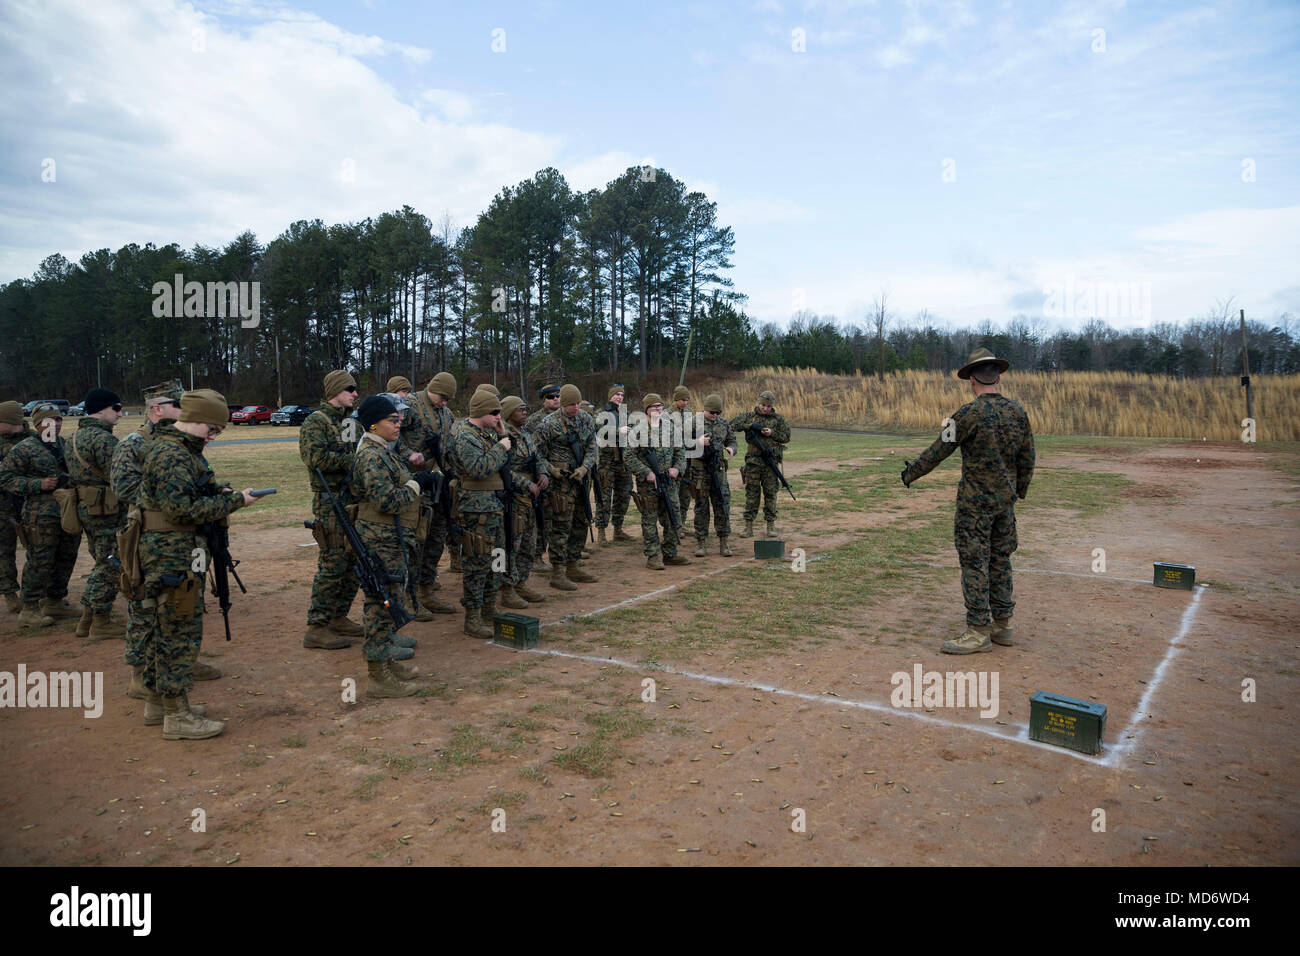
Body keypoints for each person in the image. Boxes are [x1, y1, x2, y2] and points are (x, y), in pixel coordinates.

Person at [135, 389, 262, 738]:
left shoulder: (178, 451)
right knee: (178, 631)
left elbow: (183, 498)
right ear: (198, 421)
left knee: (167, 626)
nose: (214, 436)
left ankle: (159, 704)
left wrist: (216, 493)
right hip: (171, 552)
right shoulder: (171, 454)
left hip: (177, 550)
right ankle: (177, 716)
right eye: (214, 429)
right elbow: (182, 510)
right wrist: (236, 501)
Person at [901, 348, 1036, 654]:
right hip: (1005, 503)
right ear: (997, 378)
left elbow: (938, 451)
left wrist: (911, 474)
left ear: (972, 380)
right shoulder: (1018, 412)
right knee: (1000, 559)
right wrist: (1019, 490)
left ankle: (978, 630)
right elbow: (1028, 457)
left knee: (975, 562)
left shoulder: (967, 415)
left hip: (974, 506)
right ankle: (1003, 626)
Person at [111, 380, 200, 697]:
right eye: (177, 404)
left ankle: (182, 658)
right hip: (148, 534)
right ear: (157, 409)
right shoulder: (134, 444)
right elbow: (124, 488)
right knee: (146, 602)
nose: (183, 410)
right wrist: (169, 501)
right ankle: (139, 674)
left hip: (179, 535)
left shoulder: (180, 441)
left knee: (183, 596)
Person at [350, 395, 432, 696]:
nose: (398, 426)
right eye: (392, 421)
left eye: (399, 421)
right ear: (373, 424)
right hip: (379, 538)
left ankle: (385, 663)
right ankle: (378, 675)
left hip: (390, 537)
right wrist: (414, 485)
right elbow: (386, 500)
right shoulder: (371, 456)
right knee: (379, 605)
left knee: (388, 601)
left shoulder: (383, 451)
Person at [0, 405, 82, 627]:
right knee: (40, 561)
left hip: (67, 513)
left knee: (66, 556)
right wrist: (38, 484)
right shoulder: (24, 448)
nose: (54, 424)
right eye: (48, 420)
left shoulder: (65, 444)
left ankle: (54, 600)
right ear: (37, 425)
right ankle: (29, 608)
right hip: (40, 514)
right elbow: (6, 479)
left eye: (57, 419)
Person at [299, 370, 363, 650]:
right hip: (330, 503)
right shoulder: (317, 422)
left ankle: (338, 616)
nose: (355, 393)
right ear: (335, 391)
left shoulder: (351, 422)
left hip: (354, 501)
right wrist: (353, 460)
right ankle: (317, 626)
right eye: (350, 389)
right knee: (333, 564)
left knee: (353, 562)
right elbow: (315, 458)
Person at [66, 388, 127, 640]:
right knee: (112, 562)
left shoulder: (73, 437)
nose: (121, 414)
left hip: (88, 509)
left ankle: (87, 620)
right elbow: (123, 478)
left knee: (104, 560)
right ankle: (99, 620)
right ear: (101, 409)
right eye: (116, 408)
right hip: (107, 510)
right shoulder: (103, 440)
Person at [449, 389, 511, 637]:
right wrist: (500, 447)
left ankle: (489, 607)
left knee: (497, 558)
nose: (499, 417)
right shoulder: (466, 436)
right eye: (495, 413)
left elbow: (506, 463)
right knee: (477, 562)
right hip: (476, 509)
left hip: (493, 506)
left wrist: (502, 437)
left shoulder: (487, 434)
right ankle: (472, 617)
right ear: (481, 412)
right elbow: (477, 468)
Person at [398, 372, 458, 615]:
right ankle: (409, 597)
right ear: (432, 388)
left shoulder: (447, 414)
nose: (444, 402)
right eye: (442, 397)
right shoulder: (409, 406)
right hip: (413, 482)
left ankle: (426, 591)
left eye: (448, 399)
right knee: (416, 542)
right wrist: (408, 454)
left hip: (438, 483)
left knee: (436, 538)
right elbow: (388, 434)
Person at [532, 384, 599, 591]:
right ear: (563, 403)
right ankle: (558, 571)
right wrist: (550, 470)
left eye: (578, 403)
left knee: (581, 522)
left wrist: (585, 467)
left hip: (580, 480)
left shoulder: (586, 419)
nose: (576, 407)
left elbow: (592, 447)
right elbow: (536, 454)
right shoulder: (547, 424)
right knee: (561, 526)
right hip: (559, 484)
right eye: (572, 404)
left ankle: (573, 564)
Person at [625, 393, 691, 570]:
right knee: (650, 519)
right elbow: (629, 457)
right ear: (646, 409)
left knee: (673, 514)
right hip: (649, 484)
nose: (658, 409)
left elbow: (680, 452)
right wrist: (646, 472)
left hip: (669, 481)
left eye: (660, 406)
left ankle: (670, 552)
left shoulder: (671, 428)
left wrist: (677, 469)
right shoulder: (637, 430)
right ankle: (653, 555)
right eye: (654, 407)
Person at [498, 395, 549, 608]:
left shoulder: (526, 434)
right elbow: (504, 468)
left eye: (526, 409)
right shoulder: (504, 437)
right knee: (511, 545)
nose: (525, 413)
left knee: (529, 541)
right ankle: (506, 588)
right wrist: (525, 483)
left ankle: (521, 582)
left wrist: (543, 473)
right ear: (509, 413)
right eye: (520, 410)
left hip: (531, 498)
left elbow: (538, 457)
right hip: (514, 498)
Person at [730, 389, 791, 539]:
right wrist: (751, 426)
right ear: (758, 403)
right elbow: (732, 425)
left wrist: (772, 433)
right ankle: (748, 526)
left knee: (771, 494)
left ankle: (770, 525)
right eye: (763, 405)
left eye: (768, 406)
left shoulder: (778, 420)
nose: (765, 408)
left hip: (770, 464)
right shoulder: (749, 416)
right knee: (752, 494)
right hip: (753, 463)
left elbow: (786, 437)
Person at [689, 393, 738, 556]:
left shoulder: (724, 423)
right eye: (712, 413)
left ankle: (724, 542)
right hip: (700, 471)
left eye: (718, 413)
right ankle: (701, 542)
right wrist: (697, 442)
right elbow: (680, 444)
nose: (715, 416)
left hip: (718, 470)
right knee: (701, 507)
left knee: (722, 504)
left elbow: (732, 440)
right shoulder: (693, 423)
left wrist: (731, 449)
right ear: (705, 410)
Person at [0, 401, 33, 614]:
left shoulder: (32, 441)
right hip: (3, 506)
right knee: (4, 551)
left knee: (38, 549)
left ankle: (37, 593)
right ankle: (10, 593)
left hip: (28, 503)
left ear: (11, 421)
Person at [594, 385, 632, 546]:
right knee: (604, 497)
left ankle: (618, 529)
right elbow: (599, 428)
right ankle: (602, 532)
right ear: (610, 396)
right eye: (616, 394)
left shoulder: (625, 414)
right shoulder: (601, 413)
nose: (619, 397)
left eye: (622, 395)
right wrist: (618, 431)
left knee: (623, 495)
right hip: (606, 462)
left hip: (624, 462)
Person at [671, 386, 695, 526]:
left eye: (687, 400)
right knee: (675, 493)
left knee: (685, 493)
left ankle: (683, 523)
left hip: (687, 456)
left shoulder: (688, 413)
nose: (685, 403)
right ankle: (674, 524)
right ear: (676, 399)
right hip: (673, 459)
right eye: (682, 400)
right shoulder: (667, 414)